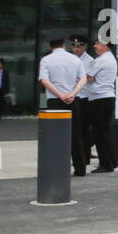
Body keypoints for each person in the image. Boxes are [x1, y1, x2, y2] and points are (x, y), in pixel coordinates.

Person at [37, 37, 89, 176]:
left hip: (54, 100)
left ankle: (57, 168)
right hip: (73, 100)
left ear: (51, 46)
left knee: (55, 135)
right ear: (64, 44)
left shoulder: (46, 60)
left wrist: (60, 94)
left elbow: (44, 81)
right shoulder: (75, 59)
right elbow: (83, 78)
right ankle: (80, 169)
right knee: (76, 135)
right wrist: (72, 93)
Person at [85, 39, 118, 173]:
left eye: (97, 44)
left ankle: (106, 164)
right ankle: (111, 161)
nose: (95, 46)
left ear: (105, 45)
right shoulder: (110, 59)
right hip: (107, 98)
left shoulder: (101, 60)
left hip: (99, 99)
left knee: (100, 133)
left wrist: (86, 76)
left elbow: (88, 77)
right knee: (104, 132)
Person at [69, 36, 96, 161]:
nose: (76, 49)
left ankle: (85, 155)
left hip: (84, 97)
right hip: (73, 96)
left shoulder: (89, 61)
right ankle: (78, 154)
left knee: (84, 128)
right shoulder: (70, 59)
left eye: (79, 46)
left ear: (84, 47)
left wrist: (80, 77)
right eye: (74, 46)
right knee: (75, 127)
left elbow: (91, 79)